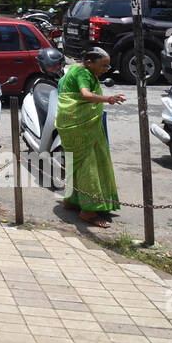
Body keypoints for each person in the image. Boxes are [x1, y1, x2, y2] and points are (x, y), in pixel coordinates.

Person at [56, 47, 125, 228]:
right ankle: (88, 211)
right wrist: (108, 99)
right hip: (81, 125)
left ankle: (71, 200)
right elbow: (85, 94)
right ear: (89, 62)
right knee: (89, 165)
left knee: (75, 163)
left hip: (70, 124)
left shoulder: (73, 69)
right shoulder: (83, 73)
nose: (106, 69)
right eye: (103, 65)